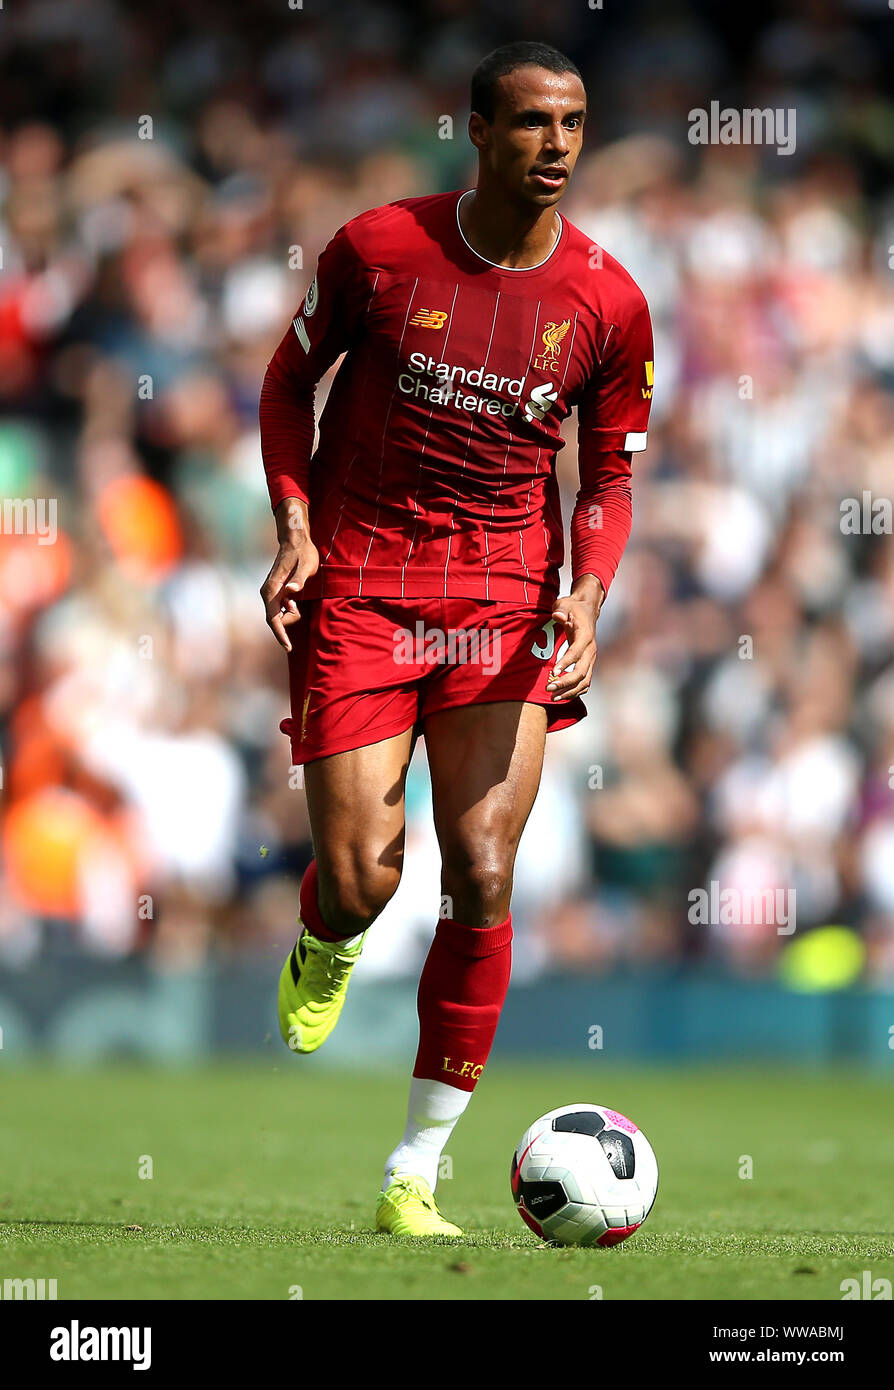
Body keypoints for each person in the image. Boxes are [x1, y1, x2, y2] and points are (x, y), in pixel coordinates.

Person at [258, 40, 653, 1237]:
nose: (558, 146)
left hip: (502, 601)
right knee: (368, 877)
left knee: (481, 868)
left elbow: (612, 476)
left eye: (575, 124)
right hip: (366, 585)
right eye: (532, 123)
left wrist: (589, 592)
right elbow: (287, 387)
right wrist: (294, 526)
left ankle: (413, 1169)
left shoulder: (609, 300)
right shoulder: (379, 249)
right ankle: (328, 929)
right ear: (476, 130)